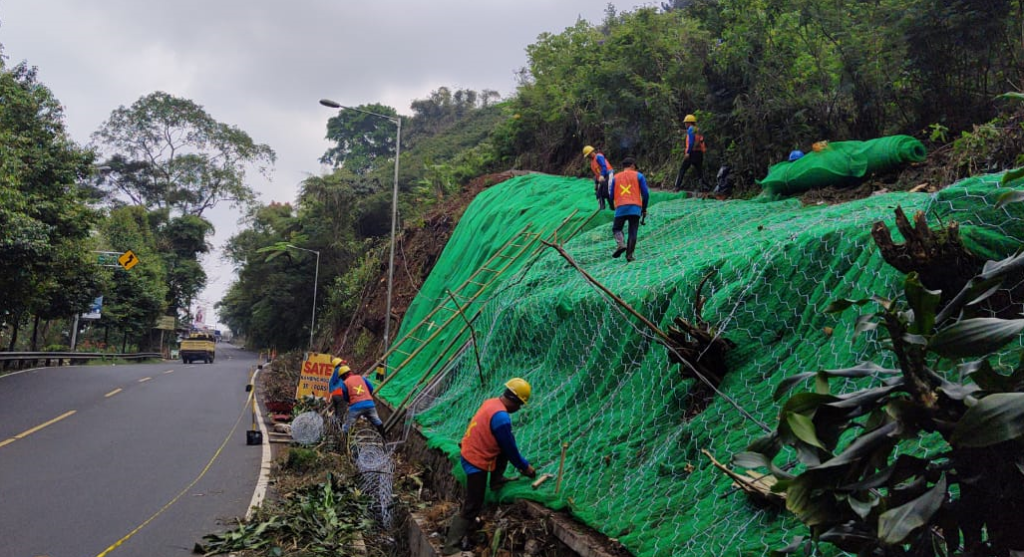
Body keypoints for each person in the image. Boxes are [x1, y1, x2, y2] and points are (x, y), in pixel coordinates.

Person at [443, 378, 537, 555]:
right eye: (521, 404)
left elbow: (505, 445)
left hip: (470, 449)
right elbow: (510, 449)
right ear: (515, 401)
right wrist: (525, 468)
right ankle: (450, 547)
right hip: (475, 460)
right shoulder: (501, 418)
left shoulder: (492, 403)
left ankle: (496, 480)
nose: (520, 408)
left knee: (501, 449)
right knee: (473, 503)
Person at [329, 359, 386, 440]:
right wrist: (366, 396)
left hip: (356, 407)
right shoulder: (361, 377)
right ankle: (384, 440)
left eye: (342, 377)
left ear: (344, 376)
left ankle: (343, 444)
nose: (342, 379)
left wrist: (351, 401)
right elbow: (371, 388)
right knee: (378, 422)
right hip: (370, 405)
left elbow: (345, 397)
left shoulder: (345, 383)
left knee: (347, 427)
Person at [609, 157, 649, 263]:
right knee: (633, 231)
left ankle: (621, 244)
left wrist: (612, 206)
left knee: (617, 229)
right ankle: (629, 255)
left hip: (621, 207)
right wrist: (644, 208)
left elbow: (611, 195)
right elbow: (646, 194)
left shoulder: (616, 177)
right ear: (632, 165)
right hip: (635, 208)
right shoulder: (639, 176)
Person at [673, 114, 707, 191]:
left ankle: (677, 186)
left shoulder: (691, 129)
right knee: (699, 171)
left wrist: (688, 152)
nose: (685, 124)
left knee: (682, 169)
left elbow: (691, 142)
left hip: (692, 153)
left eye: (686, 123)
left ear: (689, 123)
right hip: (699, 153)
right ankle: (703, 187)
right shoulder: (697, 129)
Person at [583, 145, 614, 210]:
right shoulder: (592, 163)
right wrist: (596, 184)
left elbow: (604, 166)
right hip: (601, 177)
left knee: (607, 192)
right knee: (599, 193)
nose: (588, 157)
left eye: (589, 155)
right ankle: (602, 208)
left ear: (592, 152)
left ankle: (613, 207)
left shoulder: (599, 156)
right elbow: (596, 174)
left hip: (608, 174)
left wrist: (602, 175)